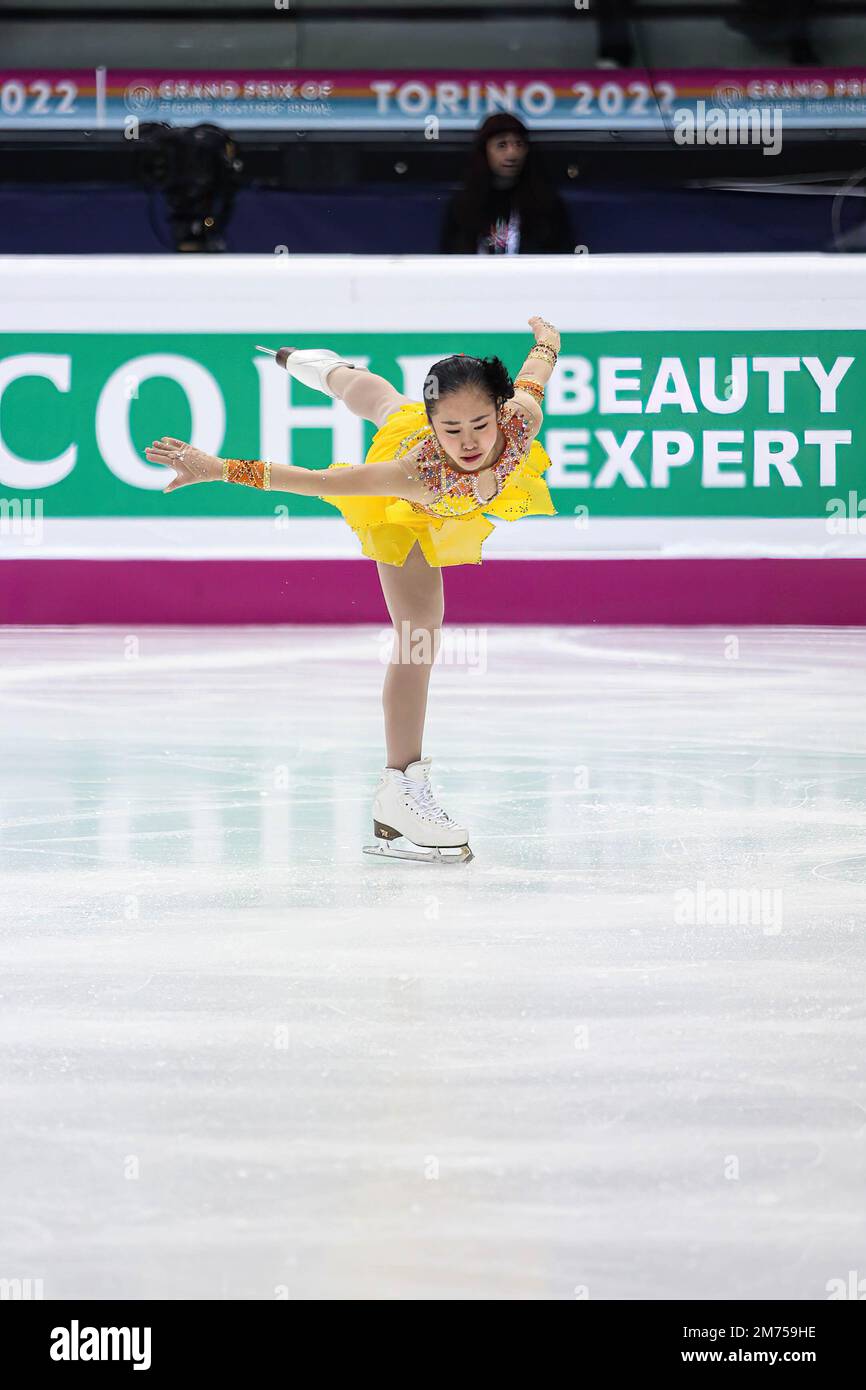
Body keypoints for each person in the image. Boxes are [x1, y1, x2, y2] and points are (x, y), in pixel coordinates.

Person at [144, 316, 560, 864]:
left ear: (501, 413)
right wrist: (220, 468)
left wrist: (547, 341)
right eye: (451, 430)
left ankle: (320, 366)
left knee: (385, 401)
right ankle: (400, 786)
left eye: (480, 425)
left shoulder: (520, 420)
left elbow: (535, 372)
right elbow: (321, 482)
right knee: (419, 636)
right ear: (435, 426)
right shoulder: (416, 472)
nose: (468, 443)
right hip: (409, 513)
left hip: (445, 480)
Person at [440, 114, 573, 255]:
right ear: (484, 151)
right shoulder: (463, 205)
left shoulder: (546, 204)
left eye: (519, 144)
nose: (512, 154)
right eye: (501, 145)